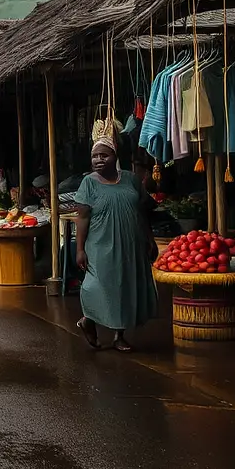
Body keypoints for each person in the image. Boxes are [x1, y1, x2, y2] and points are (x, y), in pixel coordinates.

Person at [74, 138, 157, 352]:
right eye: (95, 156)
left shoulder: (130, 179)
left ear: (115, 157)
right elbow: (82, 218)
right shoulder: (88, 183)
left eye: (104, 155)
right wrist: (80, 249)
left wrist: (150, 239)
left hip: (132, 243)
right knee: (97, 285)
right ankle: (89, 319)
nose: (99, 160)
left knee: (125, 287)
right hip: (100, 245)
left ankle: (120, 335)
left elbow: (142, 211)